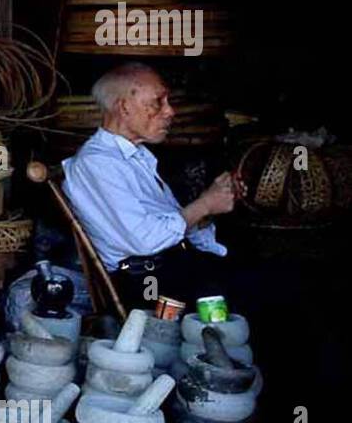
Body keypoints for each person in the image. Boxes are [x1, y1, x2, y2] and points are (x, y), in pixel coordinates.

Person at [62, 63, 240, 311]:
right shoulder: (97, 163)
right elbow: (144, 240)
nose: (170, 111)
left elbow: (170, 225)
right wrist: (205, 204)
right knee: (274, 290)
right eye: (158, 102)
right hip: (148, 284)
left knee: (276, 278)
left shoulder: (137, 157)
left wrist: (213, 204)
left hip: (174, 269)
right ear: (124, 107)